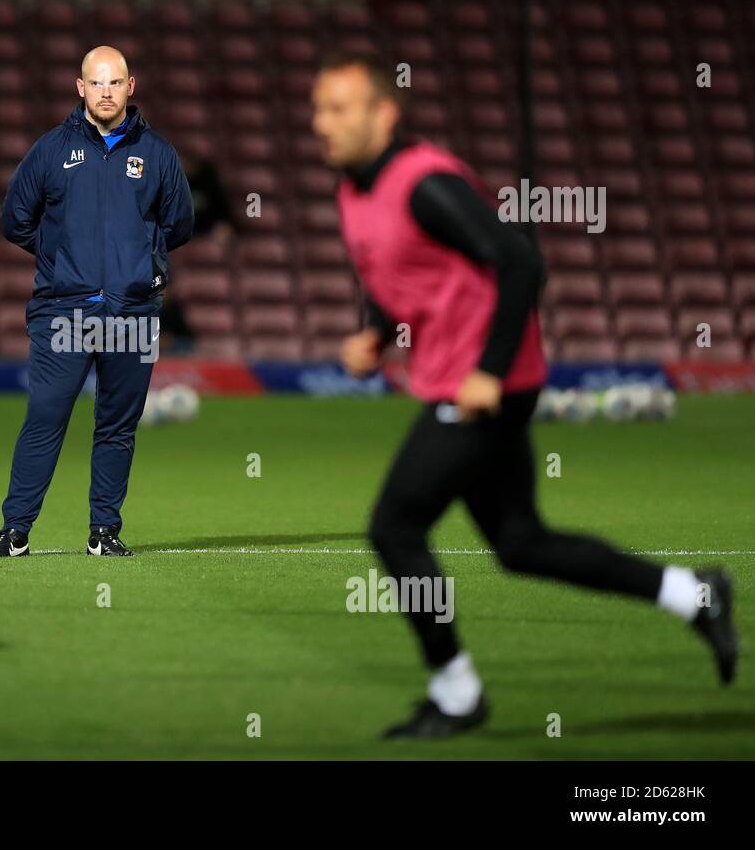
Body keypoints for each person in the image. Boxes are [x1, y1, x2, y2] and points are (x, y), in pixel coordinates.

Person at [313, 51, 737, 738]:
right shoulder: (355, 188)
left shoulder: (424, 183)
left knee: (394, 526)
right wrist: (374, 334)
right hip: (471, 382)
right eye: (318, 108)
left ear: (384, 114)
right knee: (520, 542)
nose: (321, 123)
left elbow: (521, 260)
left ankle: (456, 693)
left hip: (485, 387)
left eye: (338, 108)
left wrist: (490, 368)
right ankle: (695, 594)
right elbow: (396, 267)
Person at [0, 46, 194, 557]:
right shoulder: (51, 150)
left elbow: (180, 223)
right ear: (80, 88)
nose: (105, 92)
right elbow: (15, 220)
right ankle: (15, 532)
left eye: (114, 83)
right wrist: (61, 256)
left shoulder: (159, 154)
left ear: (130, 87)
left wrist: (145, 265)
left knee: (117, 427)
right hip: (63, 312)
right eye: (96, 83)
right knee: (46, 417)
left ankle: (104, 532)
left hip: (132, 313)